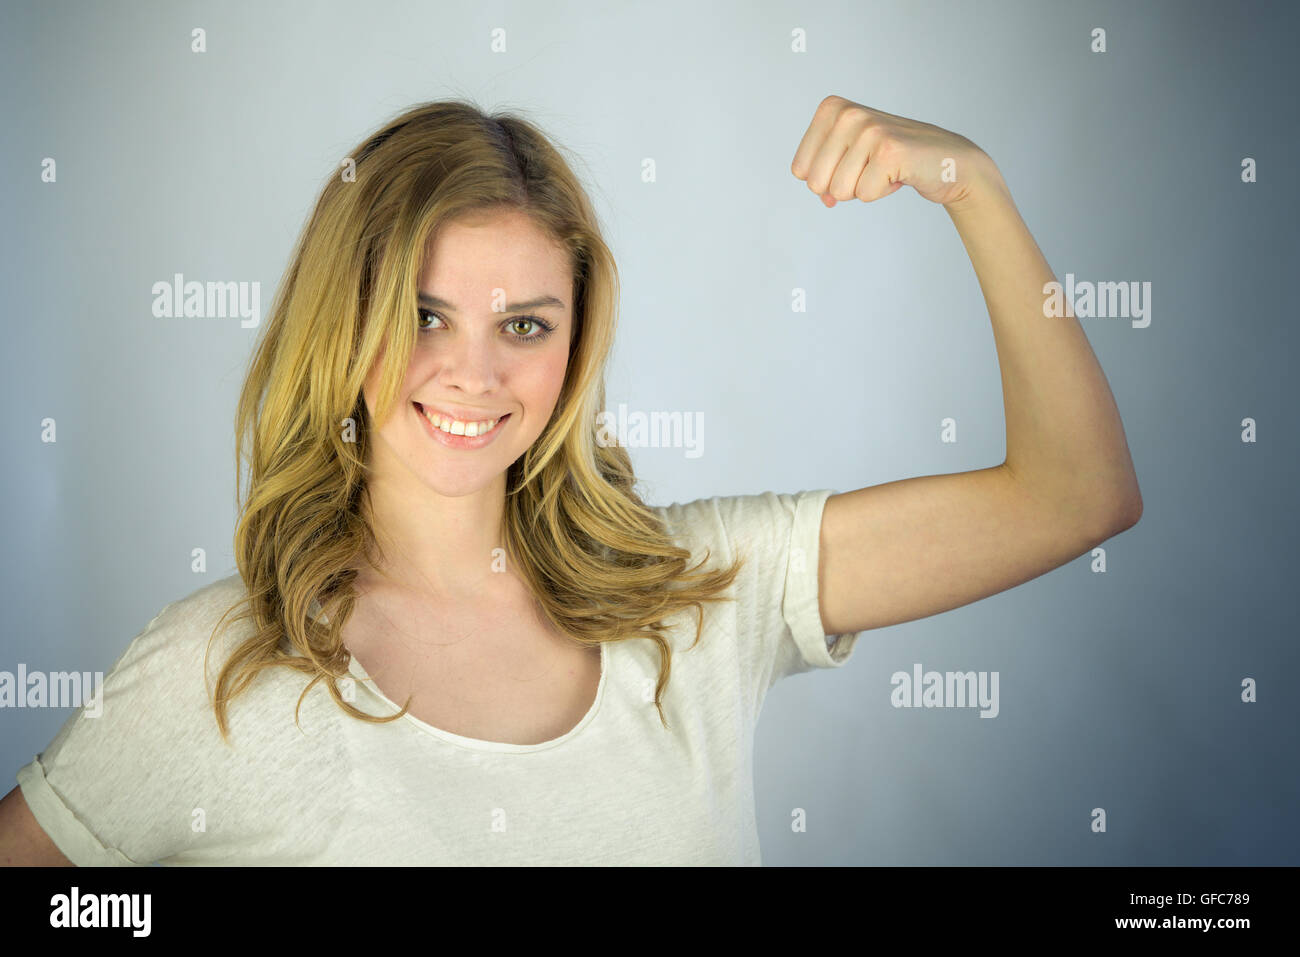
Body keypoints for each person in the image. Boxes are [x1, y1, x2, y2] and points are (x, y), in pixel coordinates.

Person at [0, 94, 1141, 866]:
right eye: (423, 314)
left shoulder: (700, 590)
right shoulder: (219, 669)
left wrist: (973, 186)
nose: (474, 373)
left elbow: (1076, 496)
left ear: (575, 344)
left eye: (525, 324)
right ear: (341, 320)